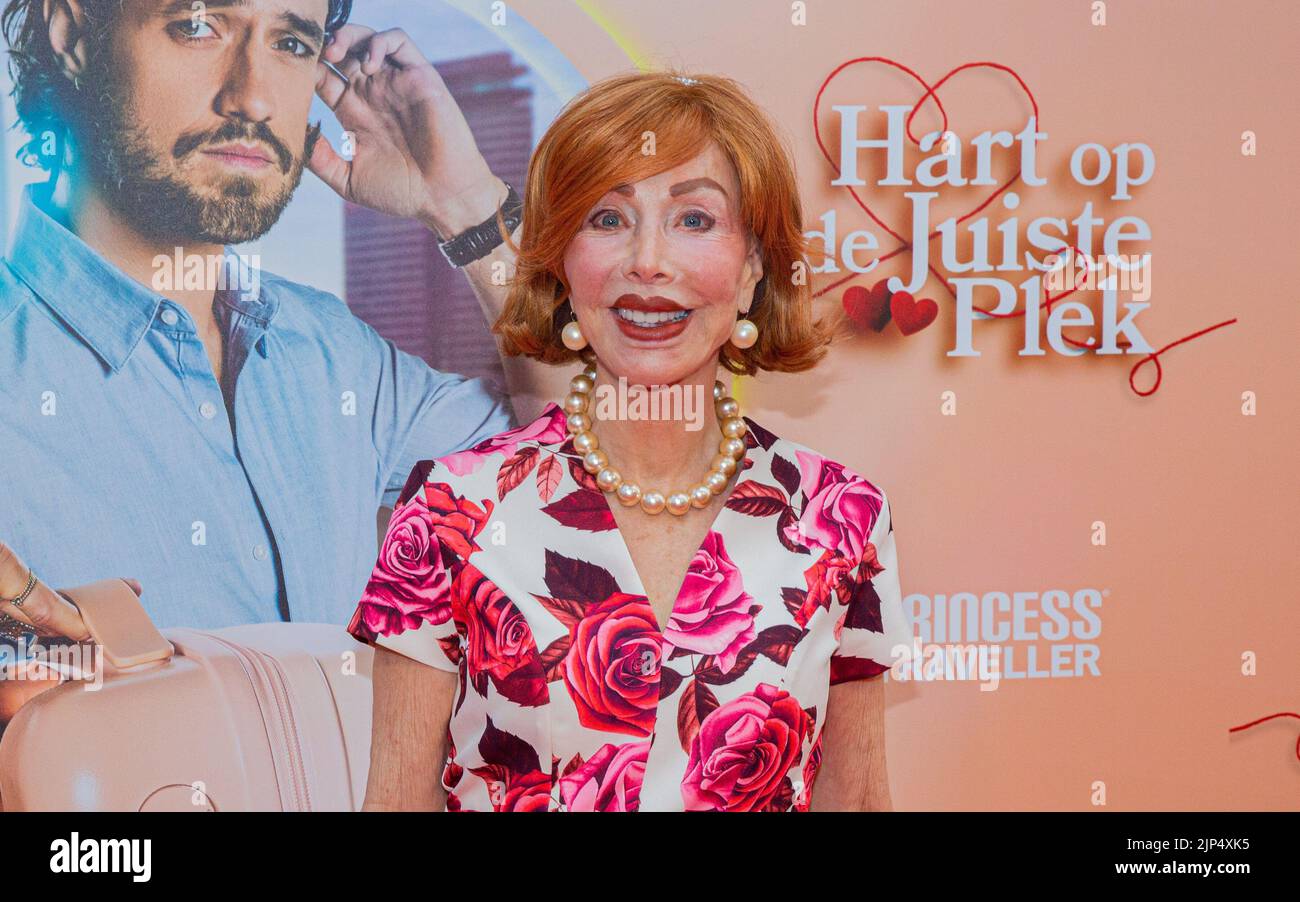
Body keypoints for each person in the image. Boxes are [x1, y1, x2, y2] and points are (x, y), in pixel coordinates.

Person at [346, 71, 914, 811]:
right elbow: (394, 801)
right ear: (561, 265)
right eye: (608, 219)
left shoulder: (841, 517)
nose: (648, 261)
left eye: (695, 219)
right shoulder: (452, 510)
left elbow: (859, 798)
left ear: (752, 269)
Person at [0, 0, 524, 653]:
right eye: (197, 26)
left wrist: (469, 211)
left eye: (292, 43)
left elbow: (591, 472)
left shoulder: (338, 357)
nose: (253, 99)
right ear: (72, 33)